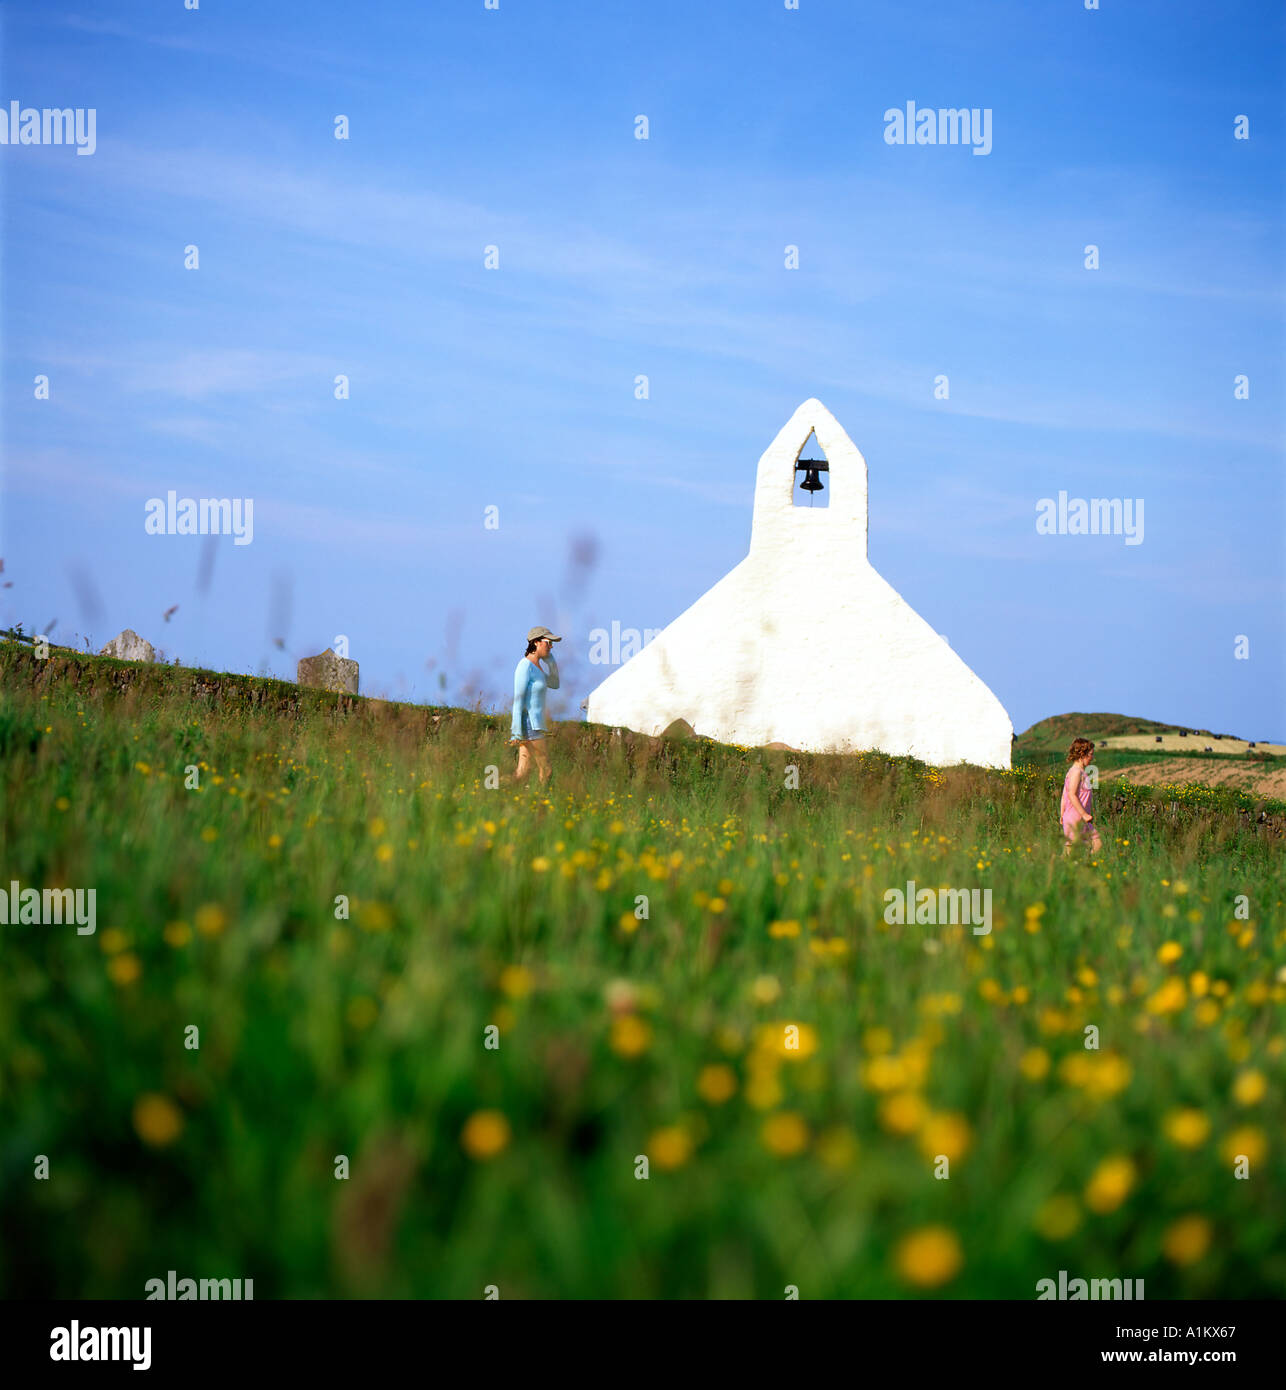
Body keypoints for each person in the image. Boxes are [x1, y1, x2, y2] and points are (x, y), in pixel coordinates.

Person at [510, 625, 561, 783]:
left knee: (522, 773)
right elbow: (518, 699)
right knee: (546, 769)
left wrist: (551, 662)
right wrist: (516, 732)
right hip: (530, 724)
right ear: (536, 643)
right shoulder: (524, 666)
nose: (551, 646)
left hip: (534, 724)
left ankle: (493, 791)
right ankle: (539, 804)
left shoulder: (537, 668)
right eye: (548, 642)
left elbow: (555, 683)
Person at [1060, 737, 1102, 856]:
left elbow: (1064, 796)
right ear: (1082, 754)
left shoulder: (1078, 772)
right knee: (1069, 852)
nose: (1092, 758)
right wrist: (1083, 814)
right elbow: (1071, 795)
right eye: (1090, 754)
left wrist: (1062, 813)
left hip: (1079, 817)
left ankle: (1084, 866)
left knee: (1097, 843)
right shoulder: (1076, 772)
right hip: (1076, 817)